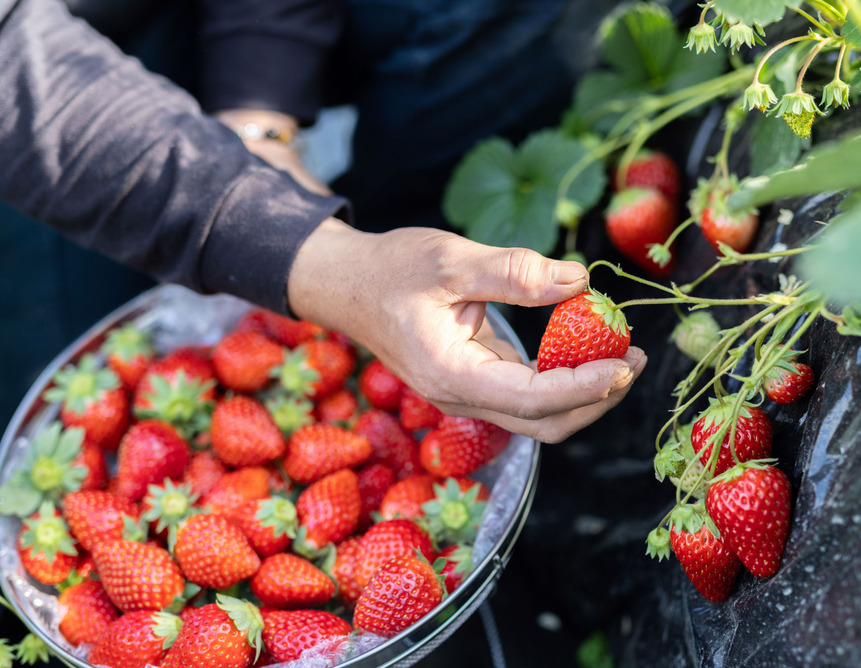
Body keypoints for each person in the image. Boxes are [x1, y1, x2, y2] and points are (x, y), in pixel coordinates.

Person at [0, 0, 646, 443]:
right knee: (71, 413)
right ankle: (383, 303)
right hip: (29, 99)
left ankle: (401, 303)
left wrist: (259, 113)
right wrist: (318, 258)